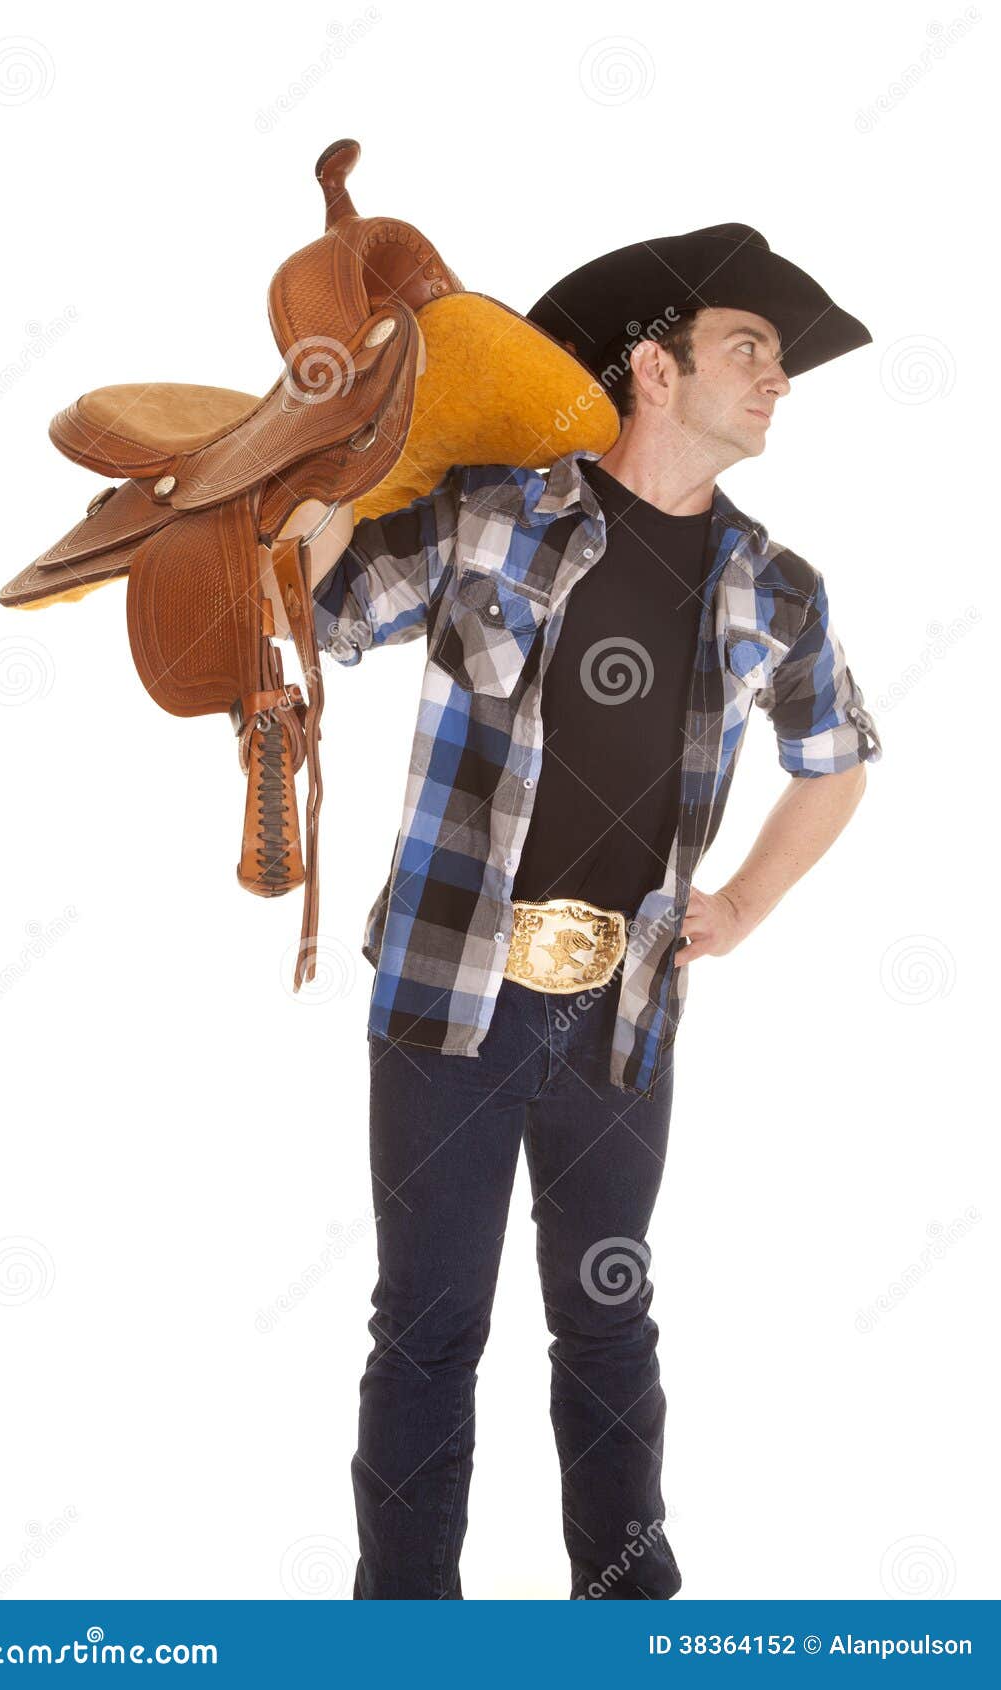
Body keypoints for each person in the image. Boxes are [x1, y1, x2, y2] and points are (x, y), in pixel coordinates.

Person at [308, 223, 883, 1599]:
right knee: (431, 1326)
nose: (776, 379)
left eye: (779, 364)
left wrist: (743, 899)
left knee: (610, 1324)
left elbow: (839, 757)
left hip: (624, 1013)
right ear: (655, 369)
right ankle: (405, 1633)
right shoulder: (493, 511)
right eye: (750, 350)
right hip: (451, 995)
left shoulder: (777, 588)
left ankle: (627, 1617)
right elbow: (333, 609)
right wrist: (327, 449)